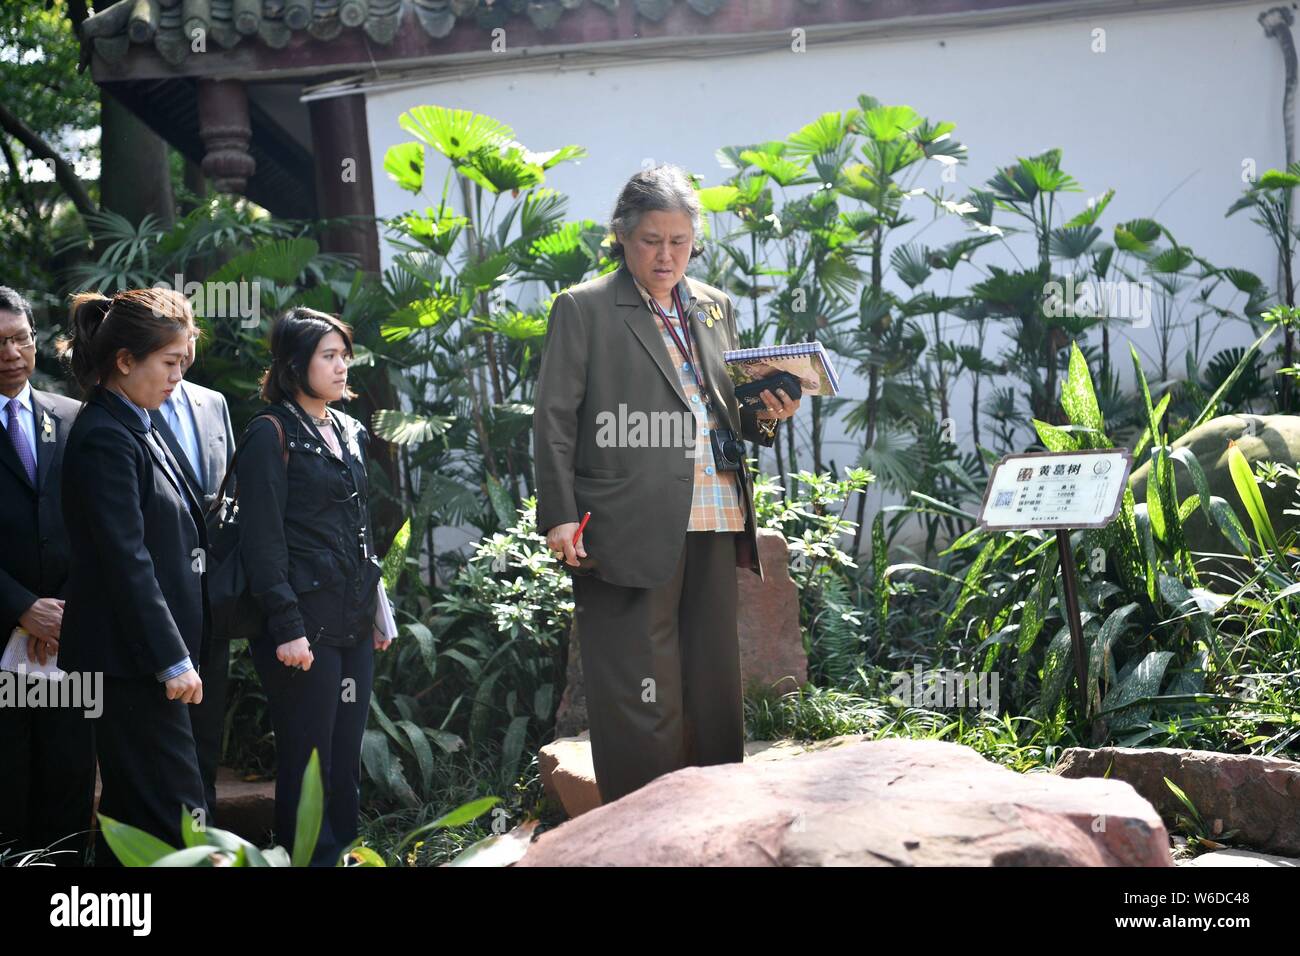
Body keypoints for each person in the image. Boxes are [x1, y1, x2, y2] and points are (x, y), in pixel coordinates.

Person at [533, 164, 802, 803]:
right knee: (638, 683)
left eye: (680, 241)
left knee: (711, 678)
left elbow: (729, 414)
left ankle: (713, 817)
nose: (666, 254)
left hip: (714, 507)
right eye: (652, 239)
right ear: (622, 236)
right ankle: (645, 825)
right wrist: (559, 515)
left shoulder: (714, 307)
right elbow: (554, 418)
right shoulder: (585, 308)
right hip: (624, 520)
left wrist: (768, 416)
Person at [56, 288, 210, 863]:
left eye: (183, 364)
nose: (178, 378)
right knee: (173, 817)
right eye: (170, 363)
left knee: (134, 816)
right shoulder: (104, 435)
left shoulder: (138, 422)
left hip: (144, 660)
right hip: (132, 664)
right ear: (125, 361)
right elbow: (126, 560)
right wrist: (171, 657)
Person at [237, 307, 393, 866]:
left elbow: (360, 529)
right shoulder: (269, 432)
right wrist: (286, 626)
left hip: (350, 616)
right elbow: (262, 541)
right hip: (301, 624)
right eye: (328, 355)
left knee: (344, 755)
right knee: (308, 757)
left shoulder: (348, 429)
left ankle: (342, 853)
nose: (342, 365)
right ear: (294, 365)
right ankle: (306, 858)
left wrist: (378, 607)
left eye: (344, 354)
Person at [0, 286, 95, 864]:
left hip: (71, 640)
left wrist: (62, 610)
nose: (10, 353)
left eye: (19, 339)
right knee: (7, 791)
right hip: (2, 643)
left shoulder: (73, 417)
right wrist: (20, 606)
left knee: (69, 786)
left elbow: (99, 527)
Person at [148, 333, 235, 820]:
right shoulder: (129, 406)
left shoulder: (213, 402)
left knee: (206, 734)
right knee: (163, 740)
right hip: (156, 594)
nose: (180, 360)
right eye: (169, 350)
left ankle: (207, 842)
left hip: (212, 594)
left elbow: (229, 490)